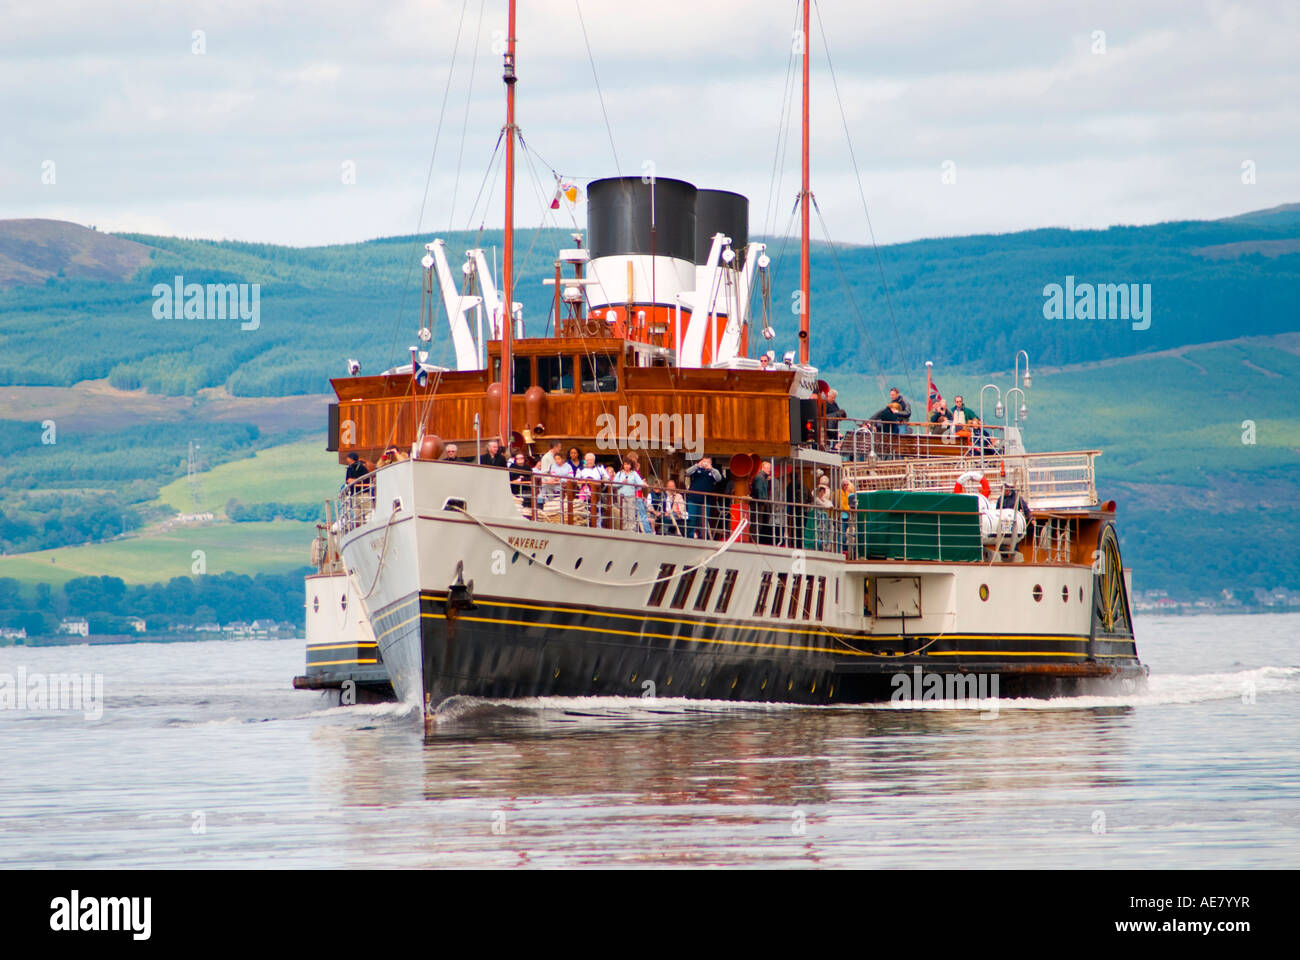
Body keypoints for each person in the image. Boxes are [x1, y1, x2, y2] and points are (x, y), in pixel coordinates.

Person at [685, 457, 722, 540]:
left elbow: (719, 478)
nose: (706, 464)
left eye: (708, 462)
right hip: (693, 499)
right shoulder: (697, 469)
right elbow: (687, 472)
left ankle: (703, 538)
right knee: (691, 520)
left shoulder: (712, 472)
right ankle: (689, 538)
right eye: (704, 462)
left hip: (705, 501)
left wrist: (711, 468)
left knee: (703, 522)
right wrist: (697, 465)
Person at [612, 457, 645, 532]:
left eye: (628, 464)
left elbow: (640, 483)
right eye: (625, 464)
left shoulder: (634, 473)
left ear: (631, 465)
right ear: (623, 465)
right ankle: (624, 530)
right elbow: (614, 484)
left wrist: (635, 488)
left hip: (631, 497)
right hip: (621, 497)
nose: (627, 466)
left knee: (631, 515)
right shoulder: (619, 473)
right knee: (623, 515)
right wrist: (621, 483)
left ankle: (631, 531)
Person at [750, 459, 773, 545]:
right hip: (758, 504)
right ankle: (754, 540)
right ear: (763, 468)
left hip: (760, 503)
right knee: (756, 523)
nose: (769, 470)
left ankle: (755, 539)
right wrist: (762, 500)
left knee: (758, 523)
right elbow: (758, 490)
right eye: (768, 468)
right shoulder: (760, 477)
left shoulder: (762, 477)